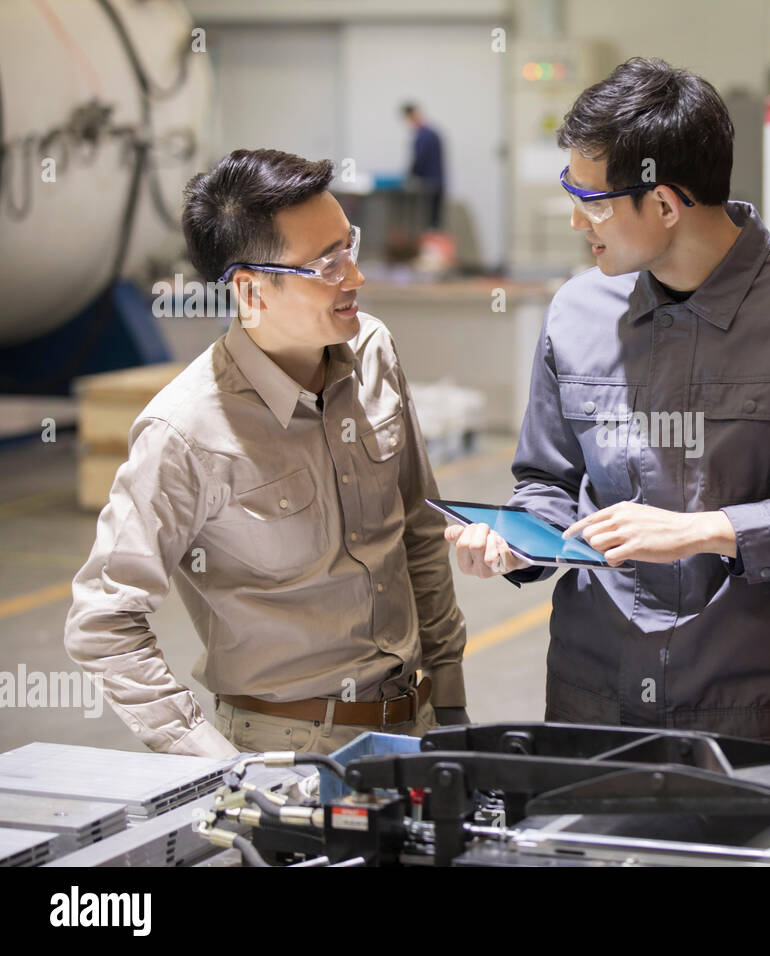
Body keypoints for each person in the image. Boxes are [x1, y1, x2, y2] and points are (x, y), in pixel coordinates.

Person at [448, 59, 770, 760]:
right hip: (591, 709)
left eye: (594, 200)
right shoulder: (579, 312)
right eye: (569, 191)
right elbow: (549, 483)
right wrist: (518, 540)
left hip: (751, 722)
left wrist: (713, 530)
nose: (576, 219)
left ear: (666, 205)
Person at [65, 148, 469, 759]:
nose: (354, 277)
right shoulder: (187, 431)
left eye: (349, 247)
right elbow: (103, 621)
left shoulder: (373, 351)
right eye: (327, 264)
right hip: (287, 751)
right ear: (251, 289)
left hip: (418, 723)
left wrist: (453, 701)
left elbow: (419, 530)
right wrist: (213, 764)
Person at [402, 102, 445, 229]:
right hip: (436, 184)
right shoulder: (431, 134)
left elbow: (420, 161)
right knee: (434, 222)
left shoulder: (424, 136)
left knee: (429, 224)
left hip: (429, 187)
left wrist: (410, 176)